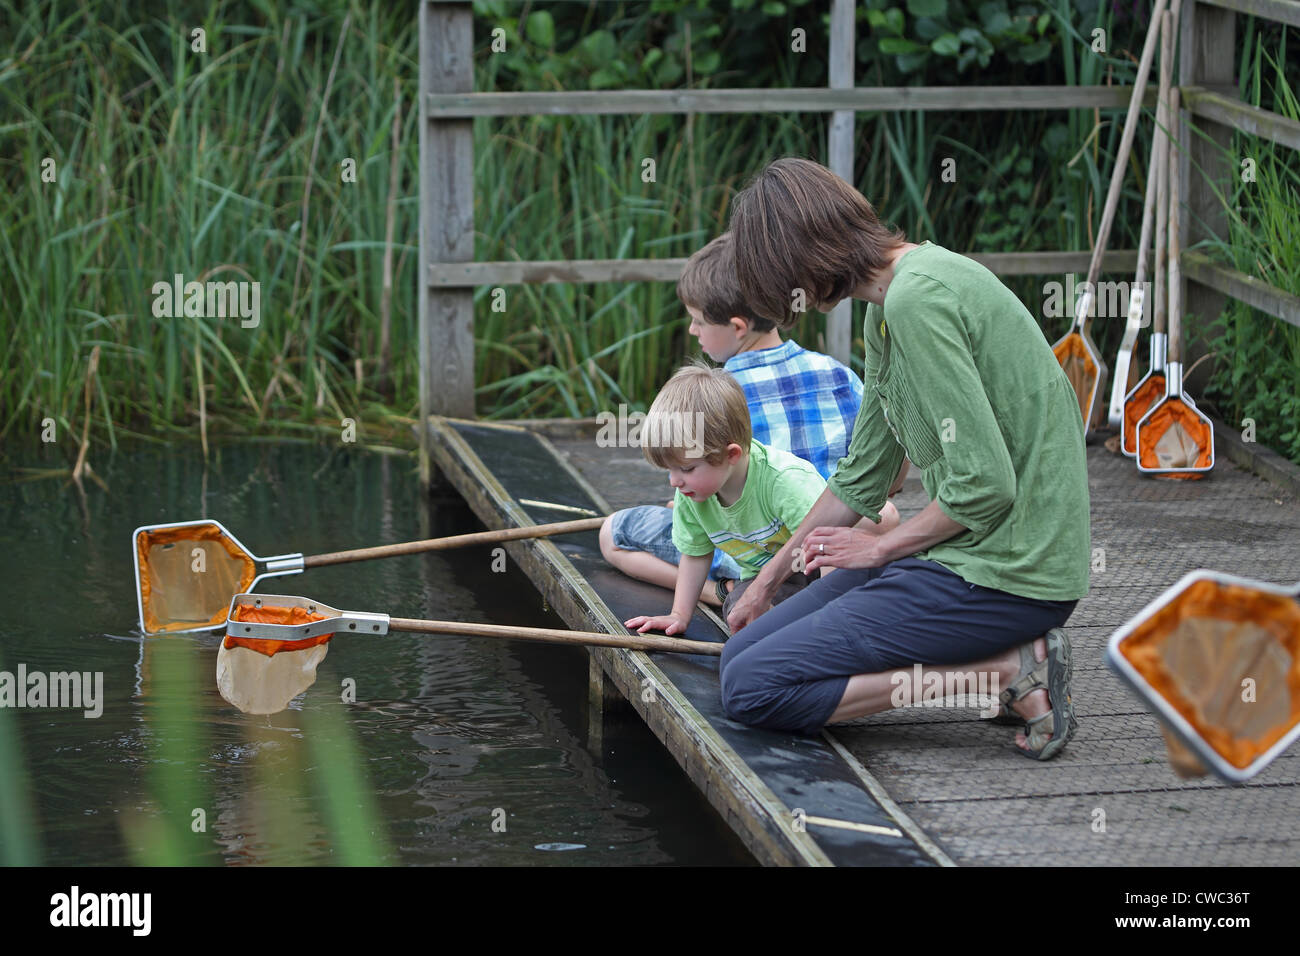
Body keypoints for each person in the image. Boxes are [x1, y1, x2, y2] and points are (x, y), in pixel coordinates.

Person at [720, 158, 1091, 760]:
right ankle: (998, 663)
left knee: (751, 688)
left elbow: (985, 483)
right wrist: (766, 581)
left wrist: (881, 548)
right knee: (742, 654)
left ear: (804, 256)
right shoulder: (888, 303)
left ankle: (1004, 671)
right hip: (962, 554)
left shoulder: (918, 300)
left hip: (1012, 574)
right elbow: (861, 478)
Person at [600, 232, 899, 608]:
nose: (693, 331)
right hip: (826, 533)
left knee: (612, 533)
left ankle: (718, 591)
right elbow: (881, 474)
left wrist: (680, 502)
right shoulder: (838, 374)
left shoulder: (717, 396)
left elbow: (703, 489)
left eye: (698, 322)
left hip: (750, 549)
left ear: (738, 327)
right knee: (883, 514)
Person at [622, 363, 828, 634]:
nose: (674, 481)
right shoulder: (691, 495)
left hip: (818, 572)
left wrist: (829, 611)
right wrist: (679, 615)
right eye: (670, 470)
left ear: (731, 454)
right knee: (739, 613)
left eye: (686, 469)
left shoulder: (785, 482)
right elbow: (696, 554)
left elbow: (828, 549)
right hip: (763, 581)